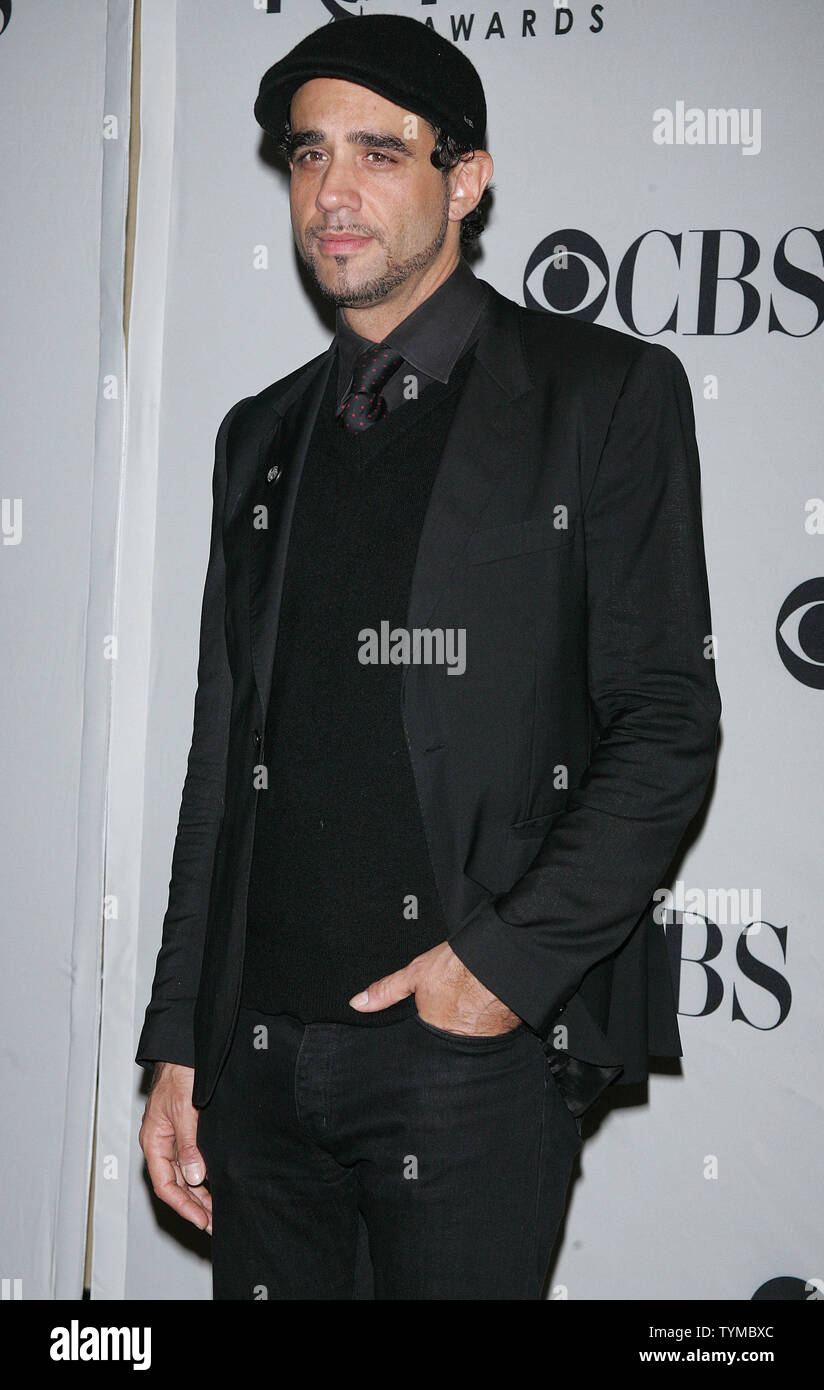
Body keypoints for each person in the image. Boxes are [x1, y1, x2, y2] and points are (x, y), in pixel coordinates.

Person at [137, 14, 721, 1300]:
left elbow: (665, 718)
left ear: (464, 180)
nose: (330, 192)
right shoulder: (259, 434)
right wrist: (181, 1043)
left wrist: (498, 975)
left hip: (460, 1064)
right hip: (256, 1062)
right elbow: (222, 751)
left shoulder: (600, 393)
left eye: (378, 154)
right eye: (305, 155)